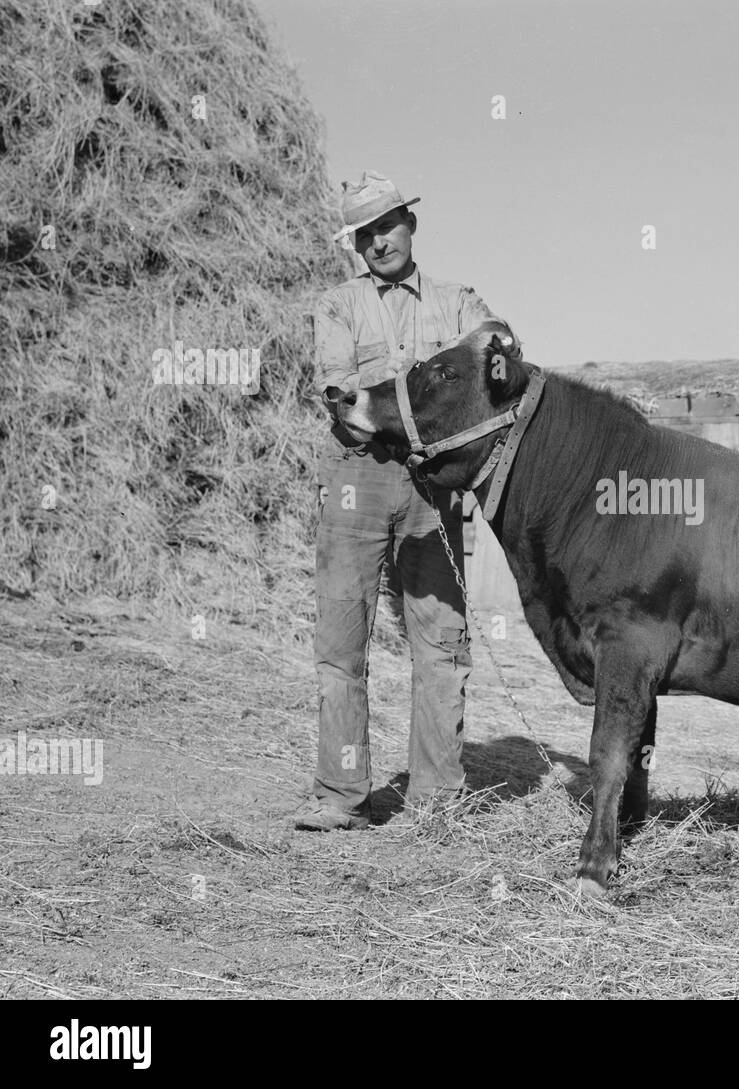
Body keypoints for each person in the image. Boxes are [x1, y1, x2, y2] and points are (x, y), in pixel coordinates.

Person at [295, 170, 501, 830]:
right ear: (355, 244)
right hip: (357, 479)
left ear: (412, 224)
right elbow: (340, 394)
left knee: (441, 645)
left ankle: (435, 801)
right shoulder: (336, 306)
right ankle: (342, 796)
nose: (378, 241)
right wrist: (412, 412)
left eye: (387, 225)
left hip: (432, 489)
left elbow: (496, 350)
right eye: (365, 234)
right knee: (341, 643)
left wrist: (476, 367)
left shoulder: (457, 300)